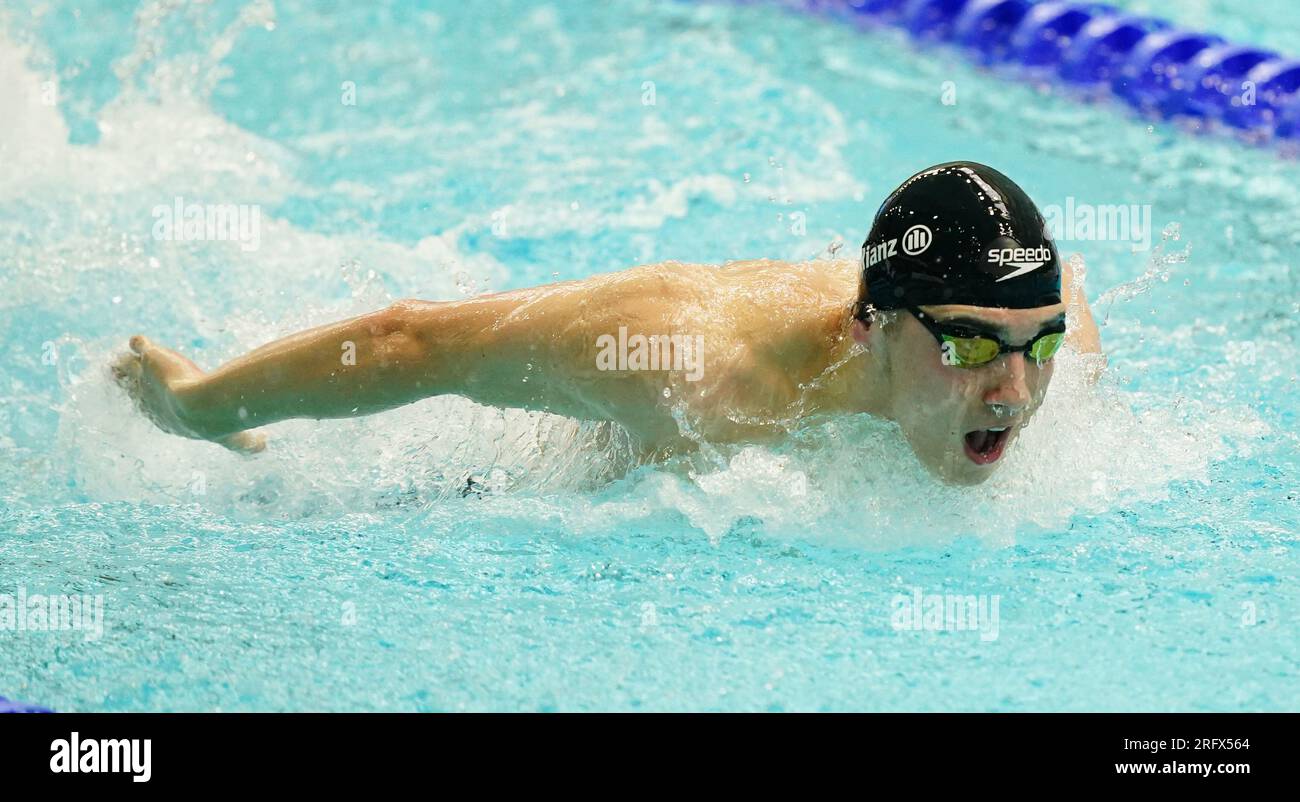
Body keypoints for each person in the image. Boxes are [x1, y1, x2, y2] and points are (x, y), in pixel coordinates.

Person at [113, 161, 1102, 485]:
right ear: (866, 324)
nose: (1015, 393)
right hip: (518, 475)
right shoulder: (687, 358)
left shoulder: (1052, 322)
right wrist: (203, 408)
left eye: (1037, 347)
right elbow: (412, 342)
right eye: (969, 347)